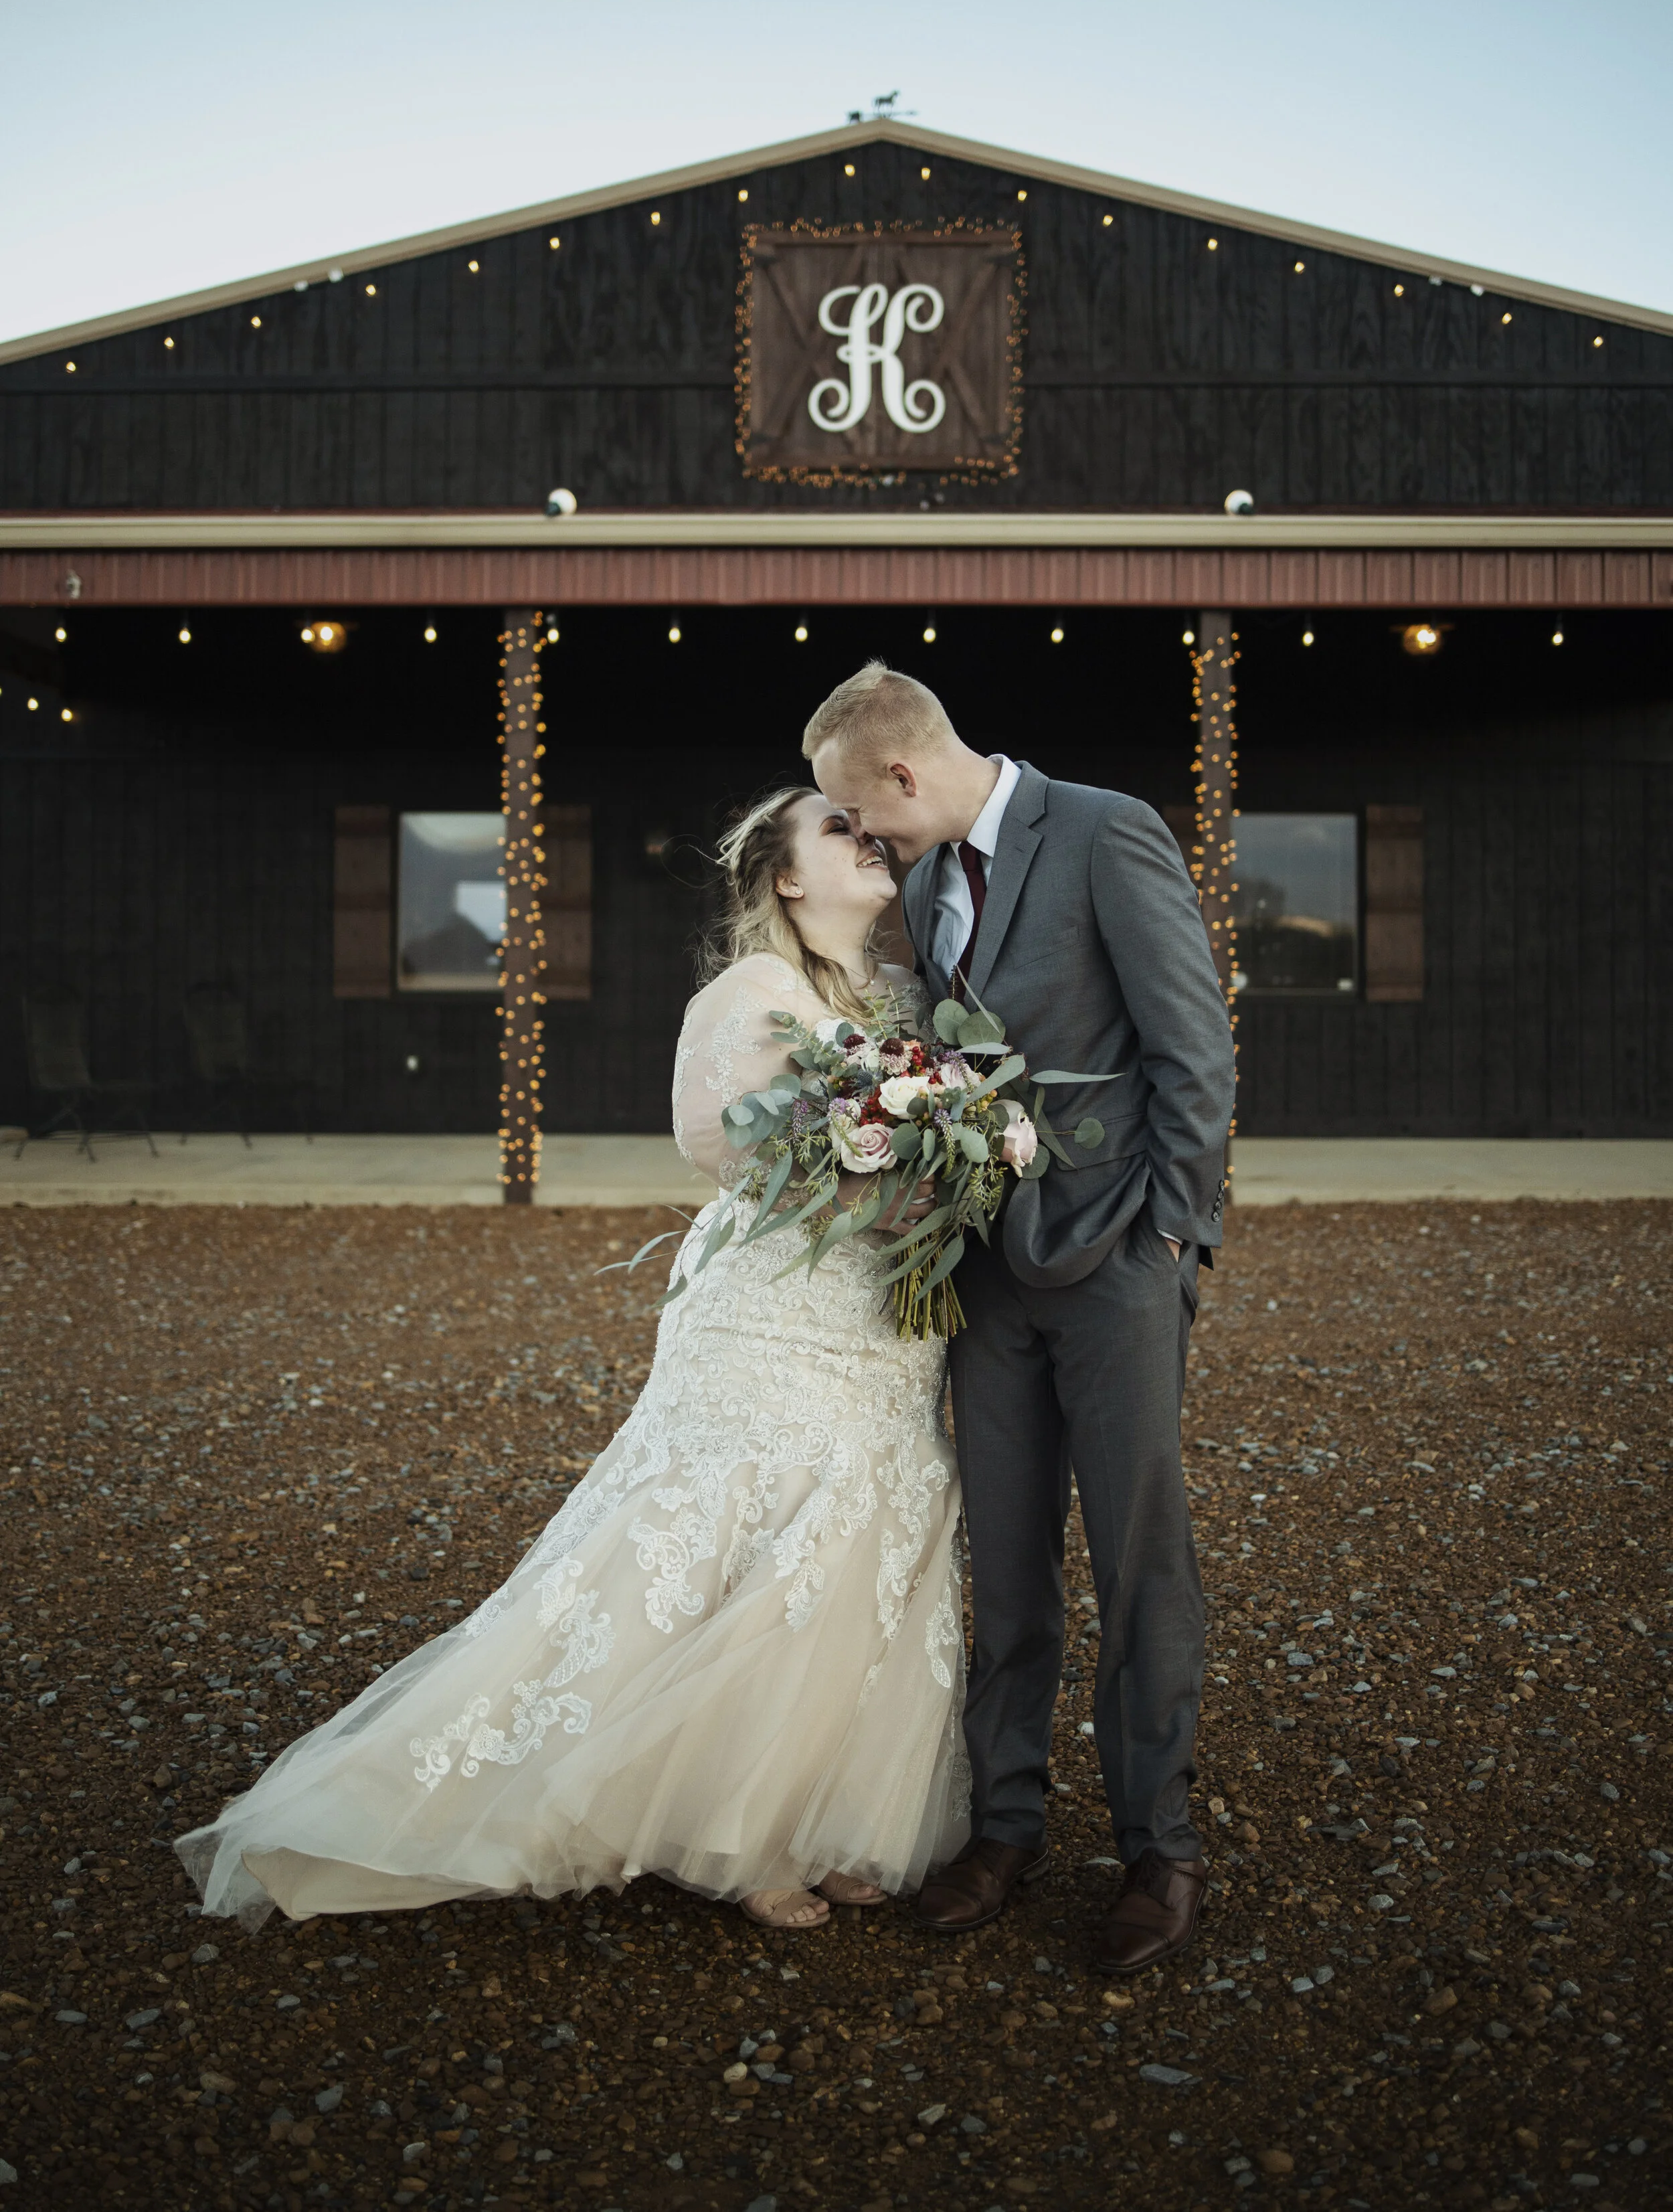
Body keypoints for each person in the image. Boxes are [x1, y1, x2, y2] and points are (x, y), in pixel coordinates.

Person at [177, 788, 966, 1934]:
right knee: (747, 1544)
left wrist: (939, 1171)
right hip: (778, 1311)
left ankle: (823, 1815)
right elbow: (713, 1143)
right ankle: (736, 1834)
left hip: (884, 1321)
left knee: (868, 1542)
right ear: (788, 879)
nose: (866, 838)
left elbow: (932, 1128)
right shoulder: (751, 991)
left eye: (867, 826)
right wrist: (859, 1176)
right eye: (835, 830)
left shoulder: (902, 998)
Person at [806, 663, 1235, 1975]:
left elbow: (1191, 1046)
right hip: (983, 1269)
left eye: (858, 816)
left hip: (1113, 1262)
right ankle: (1004, 1829)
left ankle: (1155, 1852)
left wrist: (1170, 1232)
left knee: (1135, 1557)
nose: (864, 846)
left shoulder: (1105, 830)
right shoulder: (931, 882)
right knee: (1001, 1556)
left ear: (898, 775)